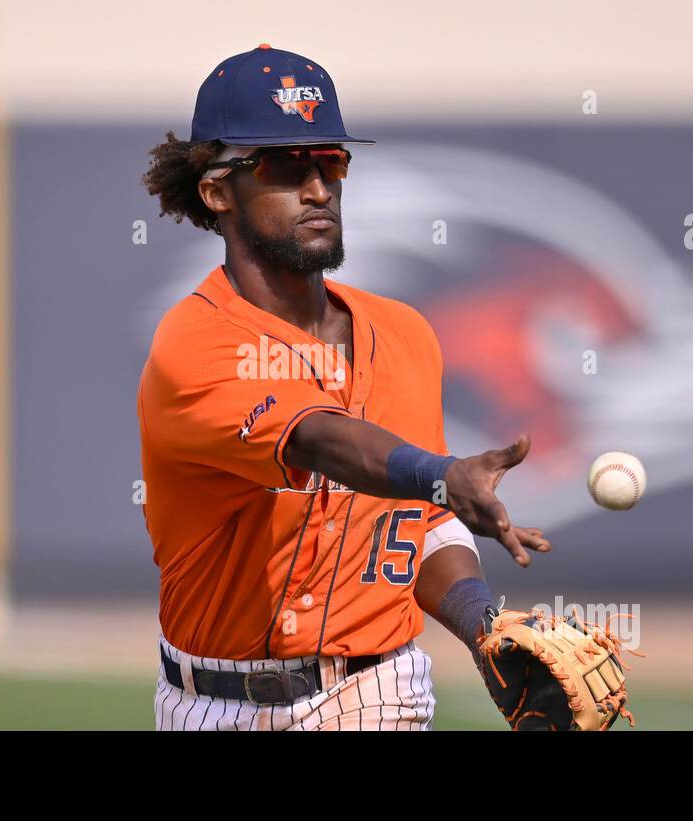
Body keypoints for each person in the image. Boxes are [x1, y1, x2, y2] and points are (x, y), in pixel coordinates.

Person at [137, 44, 549, 731]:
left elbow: (419, 525)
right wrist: (442, 472)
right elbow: (321, 437)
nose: (319, 187)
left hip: (374, 692)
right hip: (208, 702)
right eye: (285, 166)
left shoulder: (406, 334)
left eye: (331, 162)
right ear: (216, 191)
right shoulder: (194, 344)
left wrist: (484, 629)